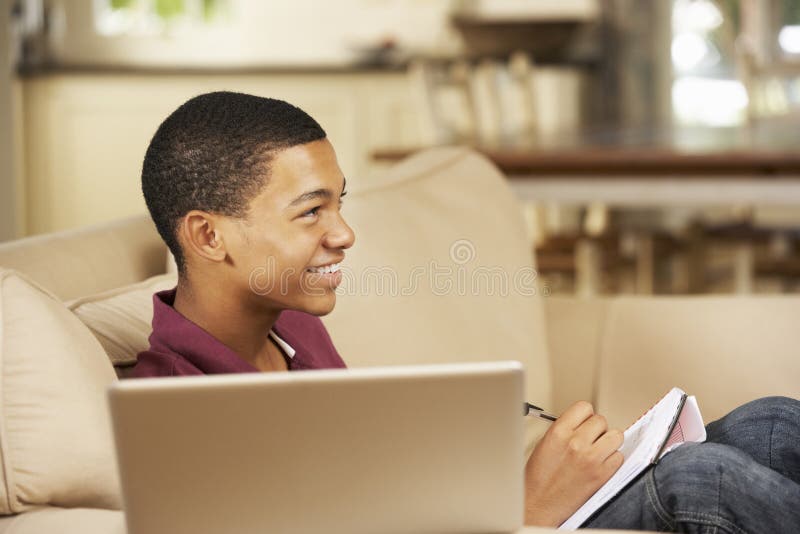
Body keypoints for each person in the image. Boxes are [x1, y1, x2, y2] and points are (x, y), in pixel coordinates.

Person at [133, 91, 800, 532]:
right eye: (312, 211)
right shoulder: (175, 403)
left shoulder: (295, 329)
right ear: (209, 235)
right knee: (700, 479)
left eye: (341, 203)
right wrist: (530, 506)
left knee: (769, 422)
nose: (343, 233)